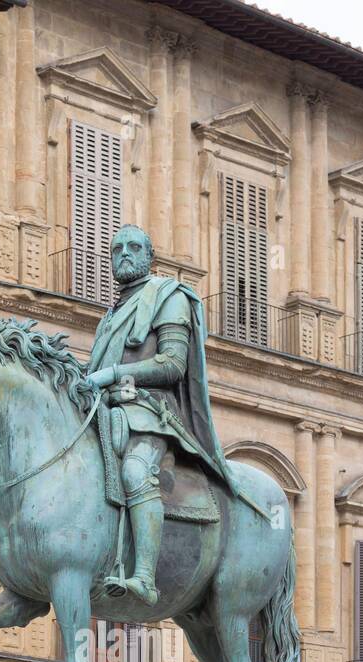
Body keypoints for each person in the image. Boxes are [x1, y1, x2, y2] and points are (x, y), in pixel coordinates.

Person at [84, 224, 248, 605]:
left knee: (135, 472)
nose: (123, 253)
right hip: (105, 411)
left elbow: (173, 364)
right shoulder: (110, 315)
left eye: (133, 247)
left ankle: (144, 577)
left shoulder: (169, 297)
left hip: (151, 413)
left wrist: (112, 374)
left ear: (148, 255)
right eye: (116, 248)